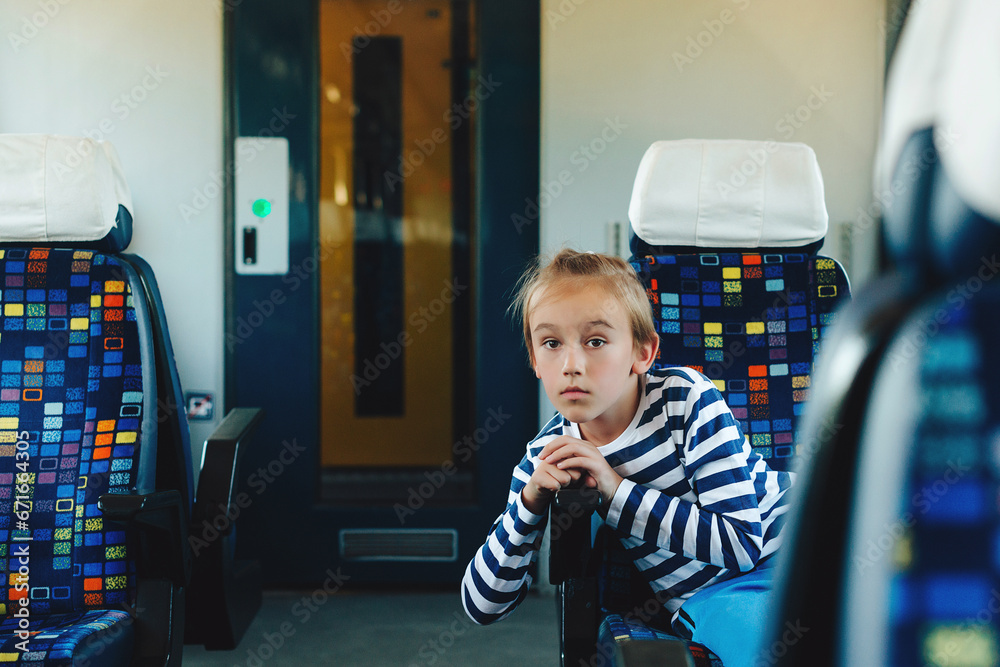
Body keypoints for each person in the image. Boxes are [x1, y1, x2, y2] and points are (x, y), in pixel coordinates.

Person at [460, 249, 794, 667]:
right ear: (534, 360)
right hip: (723, 594)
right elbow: (481, 605)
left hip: (807, 542)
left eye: (595, 341)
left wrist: (614, 490)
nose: (572, 364)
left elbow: (742, 542)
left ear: (643, 352)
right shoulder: (545, 457)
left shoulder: (687, 399)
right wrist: (528, 507)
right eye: (551, 343)